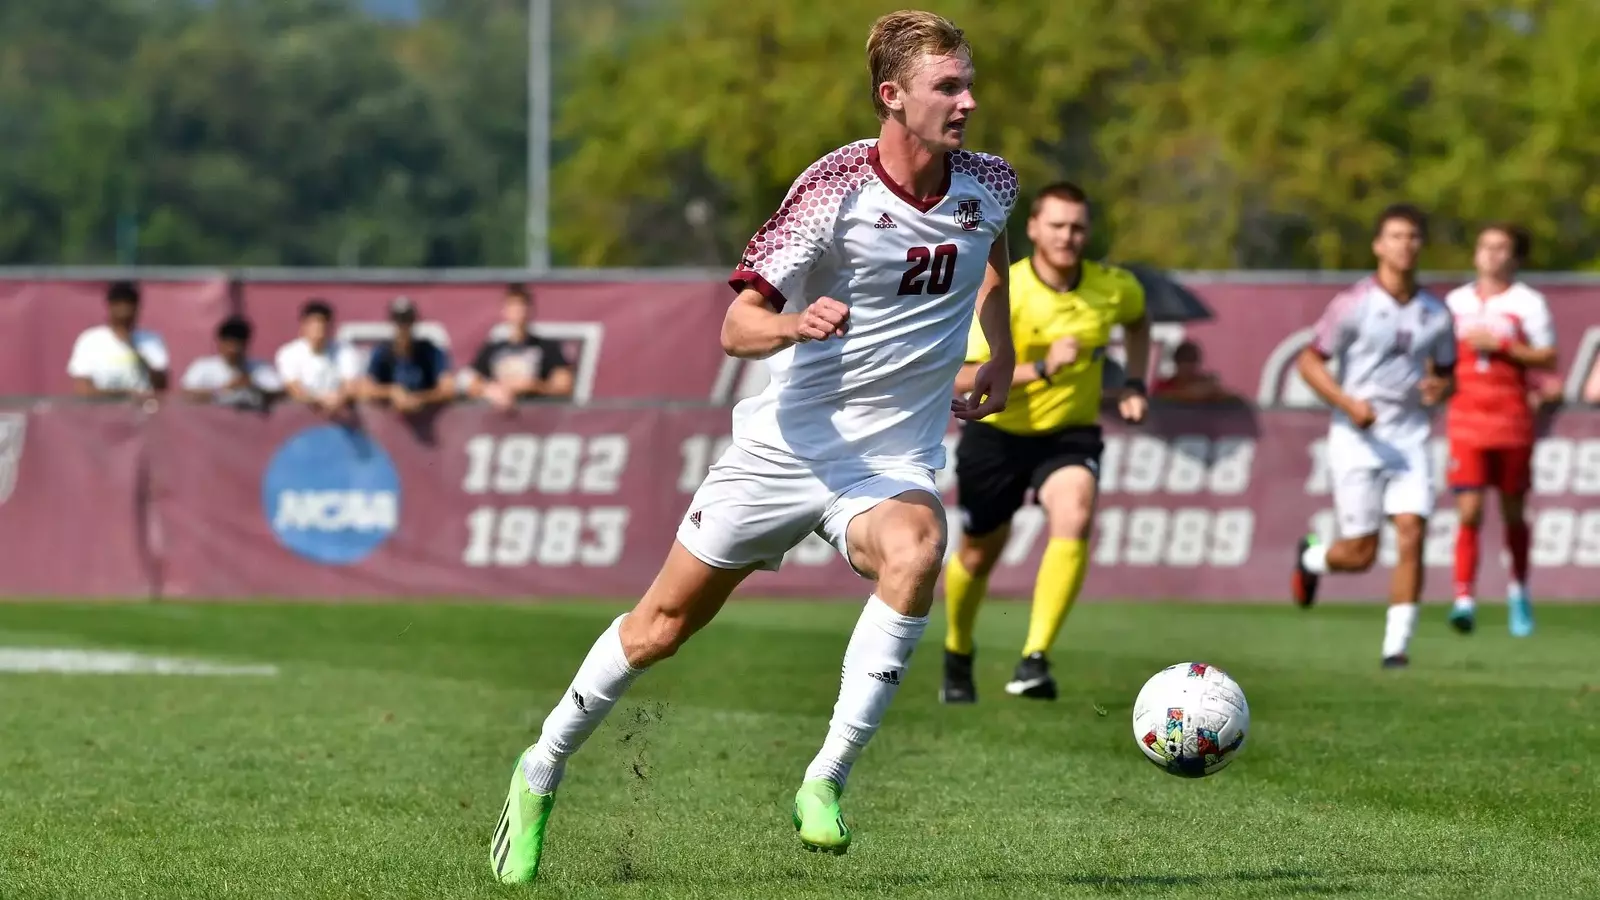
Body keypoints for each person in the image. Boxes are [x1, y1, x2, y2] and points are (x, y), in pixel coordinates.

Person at [488, 10, 1018, 883]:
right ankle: (540, 767)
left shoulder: (991, 182)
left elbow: (990, 255)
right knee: (659, 629)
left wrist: (1000, 351)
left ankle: (824, 780)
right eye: (948, 87)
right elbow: (736, 327)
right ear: (893, 96)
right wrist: (792, 323)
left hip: (887, 465)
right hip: (785, 451)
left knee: (920, 548)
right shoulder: (835, 187)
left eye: (968, 82)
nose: (968, 101)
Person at [938, 182, 1150, 704]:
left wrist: (1137, 385)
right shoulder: (1001, 290)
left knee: (1075, 510)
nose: (1068, 236)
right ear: (1032, 229)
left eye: (1077, 226)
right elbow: (961, 377)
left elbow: (1139, 322)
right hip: (995, 433)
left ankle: (1035, 659)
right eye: (1056, 225)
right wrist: (1041, 369)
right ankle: (957, 651)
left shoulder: (1114, 287)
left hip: (1068, 436)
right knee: (977, 557)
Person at [1290, 204, 1456, 668]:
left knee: (1411, 533)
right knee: (1360, 554)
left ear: (1421, 245)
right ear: (1379, 245)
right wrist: (1348, 403)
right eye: (1396, 236)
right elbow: (1308, 361)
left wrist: (1440, 387)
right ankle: (1313, 560)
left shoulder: (1437, 313)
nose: (1405, 244)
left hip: (1409, 438)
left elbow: (1448, 376)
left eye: (1413, 237)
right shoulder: (1354, 304)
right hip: (1357, 438)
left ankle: (1395, 648)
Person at [1443, 224, 1556, 637]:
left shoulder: (1529, 303)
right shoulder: (1455, 302)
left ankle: (1519, 593)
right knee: (1468, 511)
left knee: (1512, 512)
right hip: (1466, 419)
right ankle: (1464, 600)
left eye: (1501, 248)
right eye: (1485, 246)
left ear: (1515, 257)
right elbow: (1438, 355)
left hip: (1511, 421)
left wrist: (1504, 347)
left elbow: (1548, 356)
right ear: (1476, 254)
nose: (1492, 254)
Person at [463, 285, 575, 410]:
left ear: (531, 310)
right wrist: (491, 391)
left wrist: (532, 386)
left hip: (538, 419)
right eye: (513, 306)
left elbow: (564, 386)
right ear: (504, 311)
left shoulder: (547, 347)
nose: (518, 312)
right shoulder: (492, 349)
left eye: (522, 306)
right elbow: (471, 385)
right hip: (497, 423)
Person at [67, 280, 169, 399]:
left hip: (140, 415)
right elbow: (83, 390)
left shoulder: (152, 341)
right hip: (102, 413)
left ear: (137, 307)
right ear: (109, 305)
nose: (124, 308)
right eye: (118, 302)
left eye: (129, 302)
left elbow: (161, 387)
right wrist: (125, 395)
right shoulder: (90, 340)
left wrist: (134, 348)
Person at [360, 296, 455, 413]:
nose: (403, 326)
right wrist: (391, 392)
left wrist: (419, 398)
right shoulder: (382, 354)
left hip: (426, 423)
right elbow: (365, 389)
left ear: (414, 322)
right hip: (388, 425)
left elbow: (448, 389)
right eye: (399, 321)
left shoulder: (431, 352)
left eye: (407, 320)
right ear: (392, 322)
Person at [274, 299, 362, 415]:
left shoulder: (346, 351)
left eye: (322, 324)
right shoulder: (288, 354)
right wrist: (321, 400)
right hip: (300, 420)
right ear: (303, 326)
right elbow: (294, 390)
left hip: (339, 417)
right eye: (313, 324)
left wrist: (339, 398)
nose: (318, 330)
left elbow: (350, 385)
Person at [180, 315, 284, 410]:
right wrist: (223, 390)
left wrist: (254, 388)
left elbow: (281, 394)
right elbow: (186, 394)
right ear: (220, 344)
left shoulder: (260, 368)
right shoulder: (202, 367)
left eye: (238, 344)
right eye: (229, 344)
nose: (234, 350)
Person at [1152, 340, 1239, 404]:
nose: (1190, 366)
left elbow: (1232, 399)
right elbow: (1162, 398)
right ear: (1177, 362)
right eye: (1186, 360)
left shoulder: (1206, 386)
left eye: (1193, 360)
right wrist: (1199, 391)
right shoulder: (1163, 386)